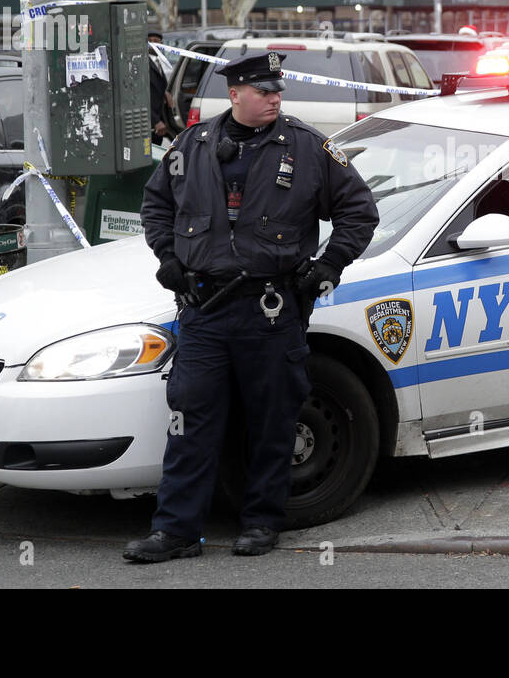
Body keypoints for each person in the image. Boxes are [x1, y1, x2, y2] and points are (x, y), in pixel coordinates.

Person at [123, 48, 378, 563]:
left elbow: (359, 211)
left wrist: (328, 267)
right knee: (190, 417)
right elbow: (156, 206)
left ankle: (262, 522)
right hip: (204, 308)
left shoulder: (308, 147)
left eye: (277, 91)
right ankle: (176, 532)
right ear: (235, 94)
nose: (274, 98)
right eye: (264, 91)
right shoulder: (192, 145)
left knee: (273, 418)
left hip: (271, 308)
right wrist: (169, 258)